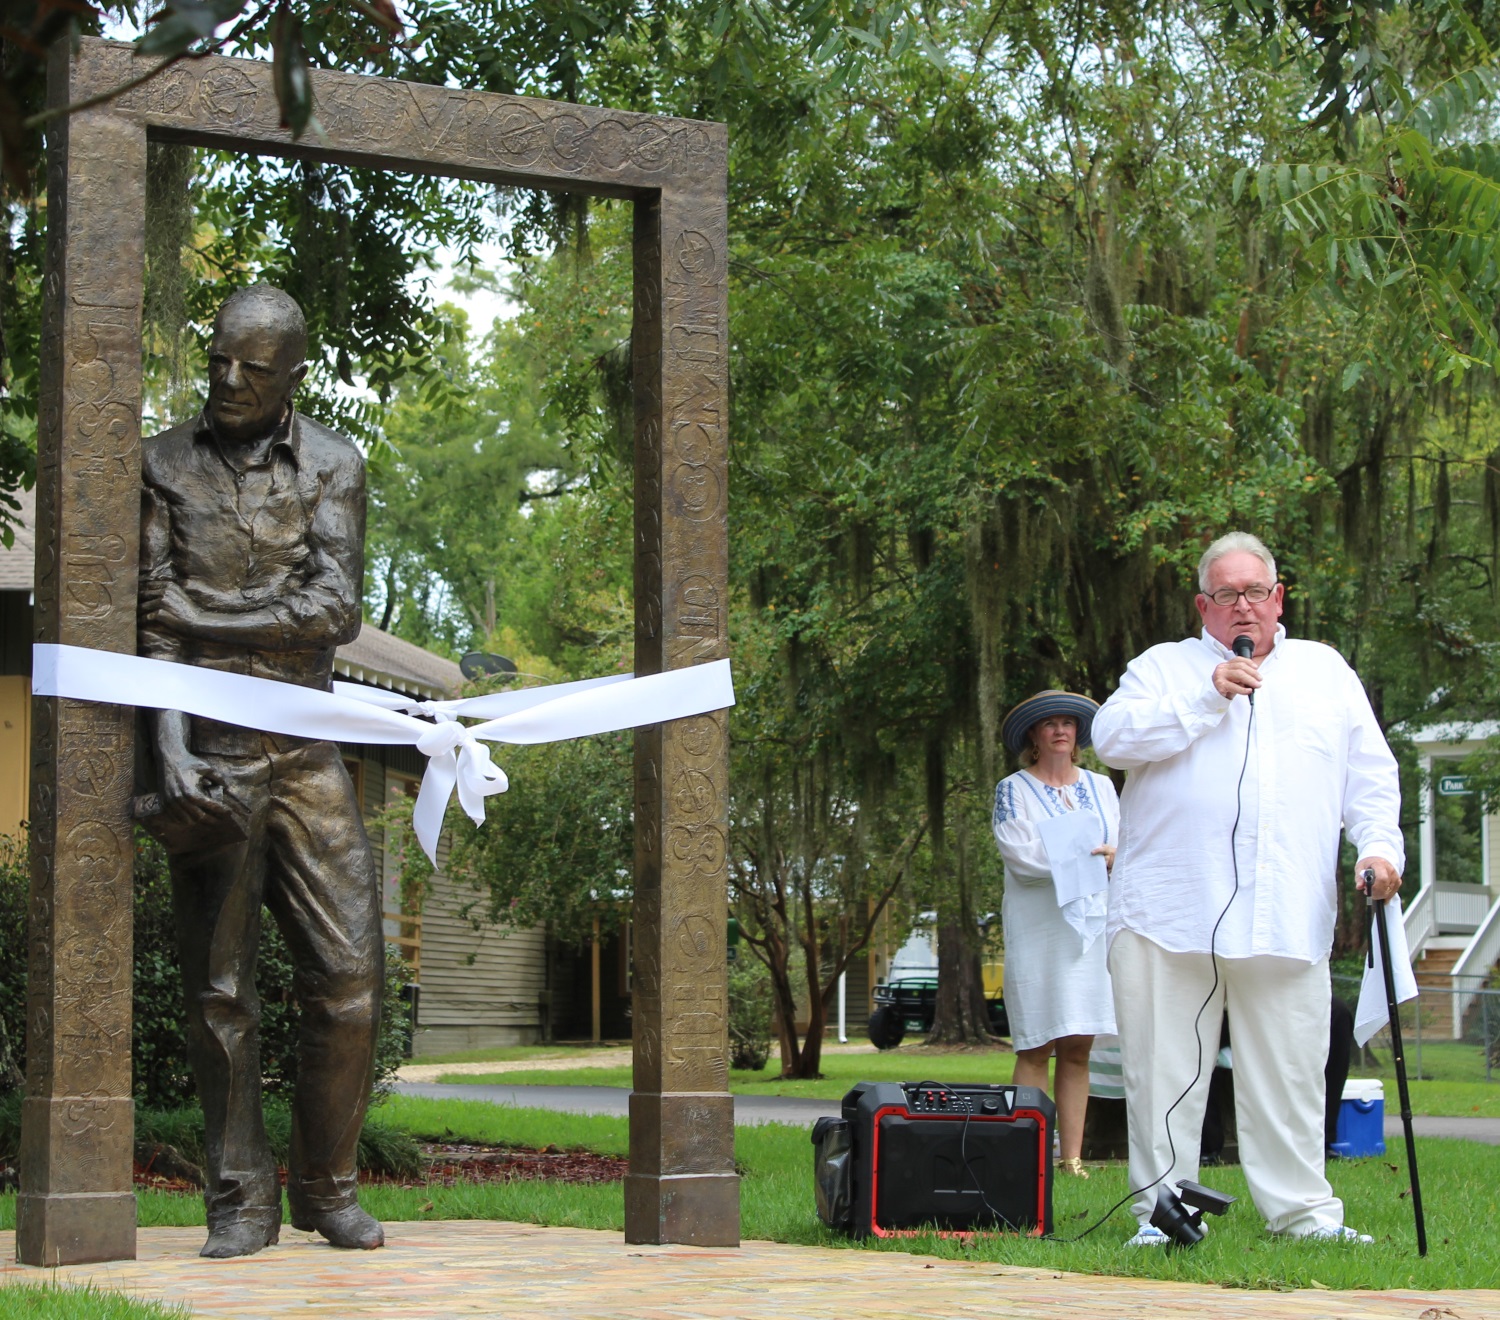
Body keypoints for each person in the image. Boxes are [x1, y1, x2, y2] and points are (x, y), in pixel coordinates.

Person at [138, 285, 385, 1259]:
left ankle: (330, 1189)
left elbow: (332, 608)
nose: (228, 381)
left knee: (350, 978)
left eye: (252, 367)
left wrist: (201, 620)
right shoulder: (161, 465)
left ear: (293, 377)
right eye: (218, 360)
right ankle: (240, 1201)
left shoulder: (334, 464)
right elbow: (143, 630)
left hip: (308, 749)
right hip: (207, 753)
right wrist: (166, 750)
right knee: (218, 990)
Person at [1091, 531, 1403, 1246]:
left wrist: (1381, 849)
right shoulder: (1164, 668)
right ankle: (1163, 1217)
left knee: (1290, 1074)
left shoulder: (1325, 672)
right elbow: (1112, 739)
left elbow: (1370, 776)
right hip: (1169, 913)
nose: (1243, 607)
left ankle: (1303, 1217)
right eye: (1226, 594)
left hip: (1284, 911)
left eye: (1255, 592)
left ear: (1278, 598)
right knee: (1164, 1071)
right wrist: (1206, 699)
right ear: (1204, 605)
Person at [992, 691, 1119, 1178]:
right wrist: (1085, 857)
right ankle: (1028, 1153)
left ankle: (1072, 1158)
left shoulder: (1103, 788)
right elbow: (1021, 857)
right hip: (1039, 927)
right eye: (1050, 724)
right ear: (1034, 735)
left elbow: (1122, 845)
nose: (1060, 730)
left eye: (1068, 723)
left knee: (1078, 1045)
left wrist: (1107, 857)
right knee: (1035, 1043)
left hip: (1090, 928)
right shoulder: (1013, 789)